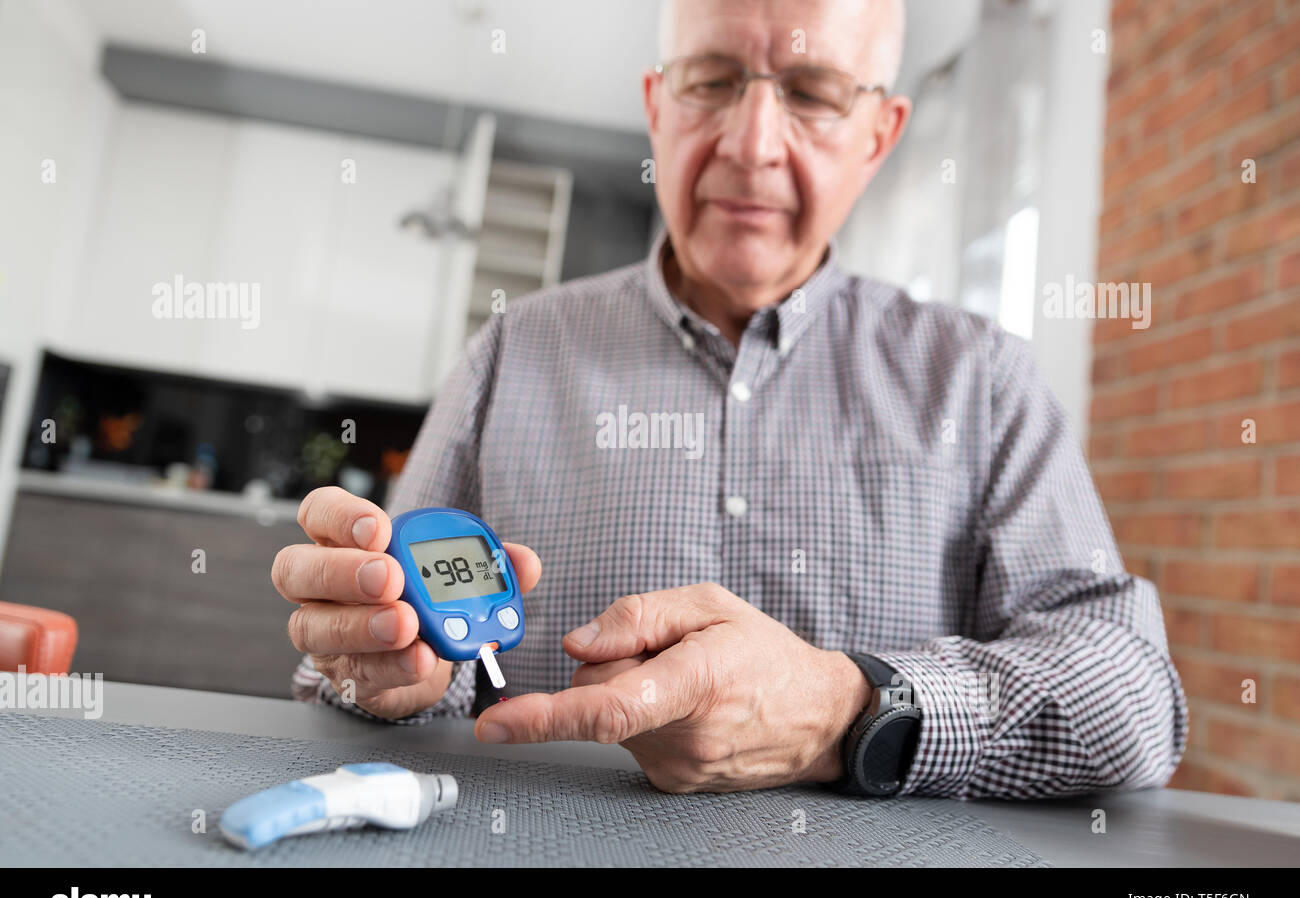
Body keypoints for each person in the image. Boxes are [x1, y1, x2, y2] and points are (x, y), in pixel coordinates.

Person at [271, 0, 1187, 799]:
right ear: (656, 104)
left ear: (880, 135)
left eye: (814, 92)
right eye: (711, 80)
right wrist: (379, 672)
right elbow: (380, 668)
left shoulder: (984, 381)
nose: (752, 144)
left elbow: (1136, 698)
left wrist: (850, 709)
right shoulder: (512, 352)